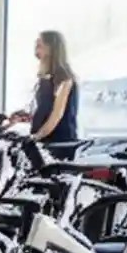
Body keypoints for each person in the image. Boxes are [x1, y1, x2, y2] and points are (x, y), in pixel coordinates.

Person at [27, 30, 79, 159]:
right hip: (45, 143)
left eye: (40, 45)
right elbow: (43, 110)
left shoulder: (64, 79)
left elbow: (56, 115)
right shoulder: (45, 79)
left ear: (51, 49)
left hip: (59, 145)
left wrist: (35, 137)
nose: (36, 50)